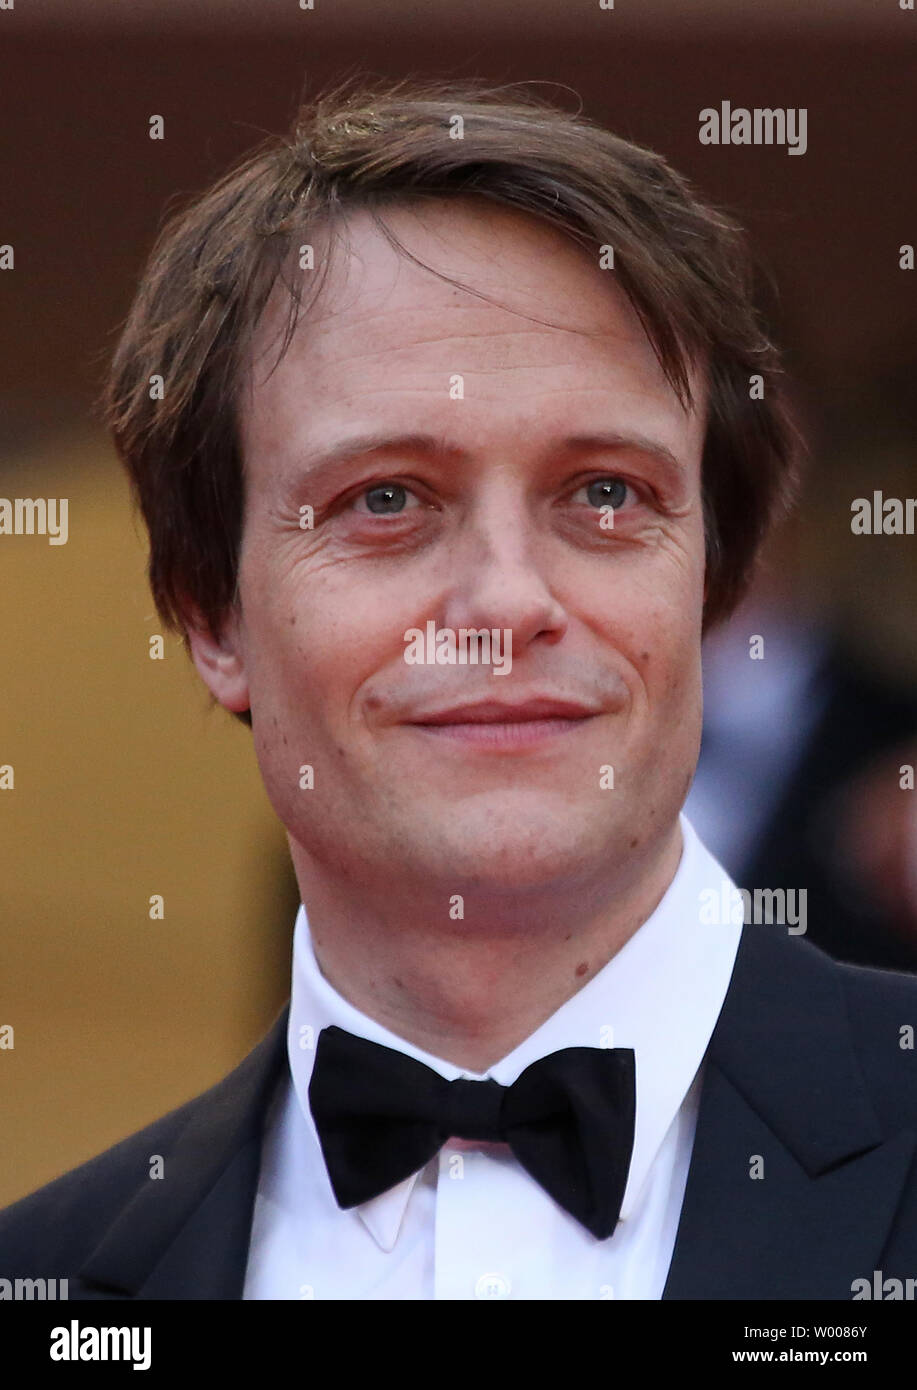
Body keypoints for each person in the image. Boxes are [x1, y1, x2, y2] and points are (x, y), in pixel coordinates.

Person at [3, 76, 917, 1302]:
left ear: (711, 582)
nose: (505, 602)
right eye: (384, 499)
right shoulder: (52, 1287)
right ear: (210, 613)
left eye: (604, 493)